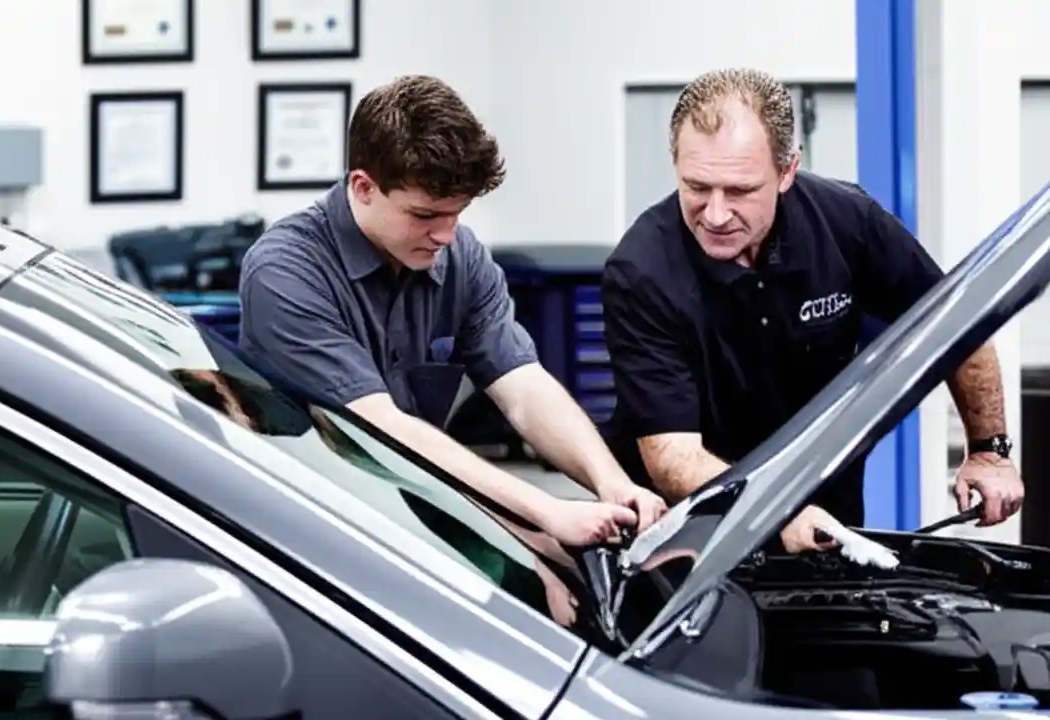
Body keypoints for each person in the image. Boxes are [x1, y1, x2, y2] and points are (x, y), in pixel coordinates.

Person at [600, 67, 1024, 554]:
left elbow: (959, 325)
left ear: (787, 171)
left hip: (826, 518)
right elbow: (673, 458)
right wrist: (777, 513)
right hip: (692, 534)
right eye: (696, 187)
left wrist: (989, 451)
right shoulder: (641, 271)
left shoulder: (847, 223)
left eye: (739, 191)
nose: (715, 214)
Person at [238, 74, 667, 547]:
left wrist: (612, 482)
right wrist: (545, 512)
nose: (445, 235)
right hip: (304, 531)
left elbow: (523, 387)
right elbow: (382, 427)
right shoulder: (284, 271)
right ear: (363, 187)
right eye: (424, 215)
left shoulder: (459, 255)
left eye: (456, 213)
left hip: (413, 504)